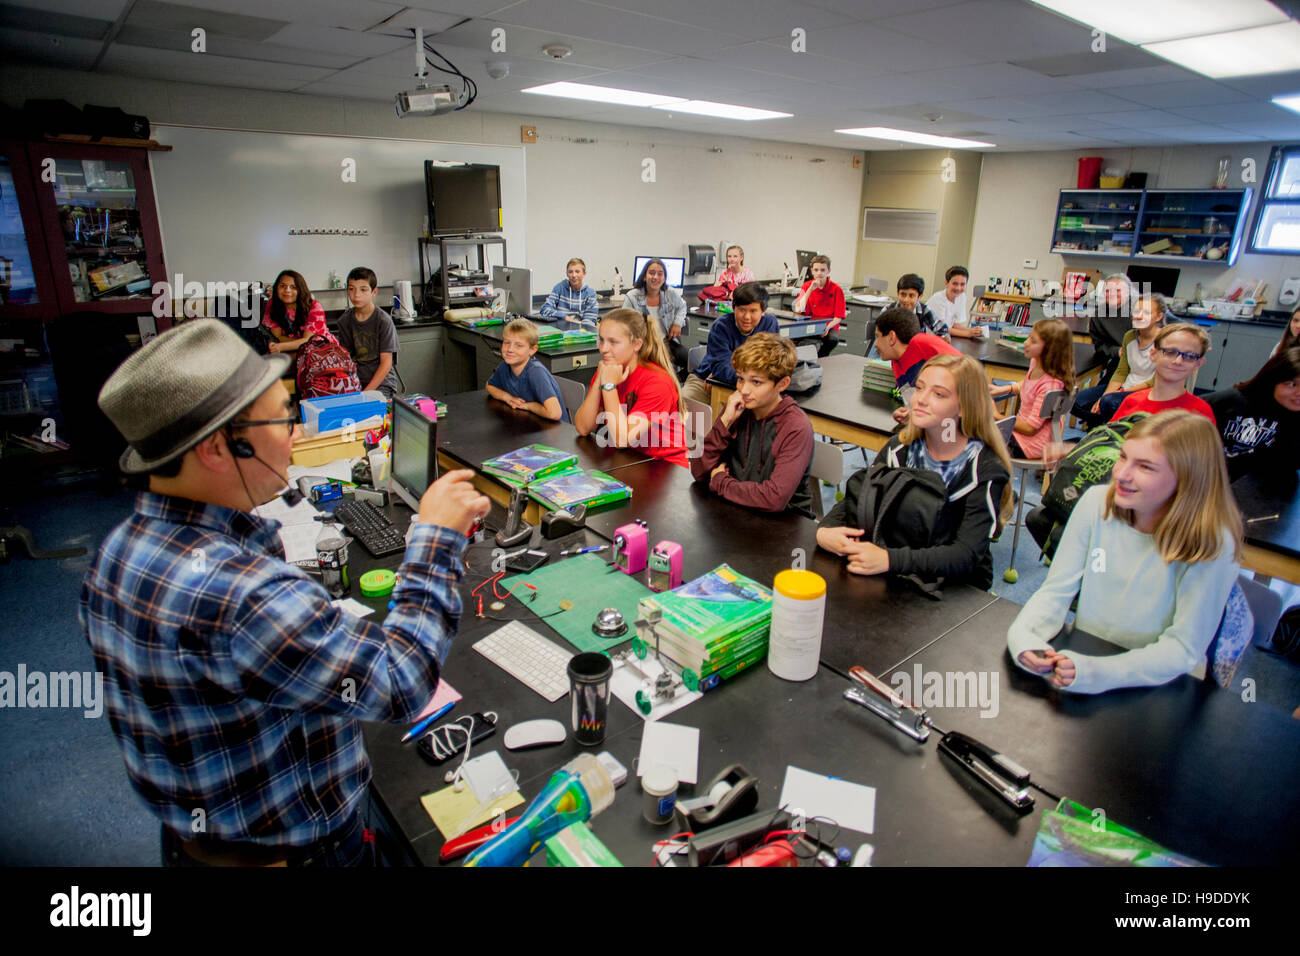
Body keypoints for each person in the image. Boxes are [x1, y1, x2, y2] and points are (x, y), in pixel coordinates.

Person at [80, 319, 491, 866]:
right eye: (284, 415)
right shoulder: (238, 594)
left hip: (198, 844)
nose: (297, 432)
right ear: (215, 448)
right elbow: (401, 684)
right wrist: (435, 539)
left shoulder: (117, 549)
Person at [1007, 411, 1248, 694]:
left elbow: (1183, 648)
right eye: (1123, 457)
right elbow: (1055, 591)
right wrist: (1025, 638)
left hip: (1160, 683)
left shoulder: (1214, 541)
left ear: (1187, 478)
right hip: (1088, 656)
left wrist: (1097, 673)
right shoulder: (1097, 503)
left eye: (1145, 467)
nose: (1120, 474)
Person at [816, 353, 1012, 589]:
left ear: (964, 407)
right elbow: (858, 499)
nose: (920, 399)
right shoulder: (898, 449)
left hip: (955, 586)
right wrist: (825, 530)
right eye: (920, 388)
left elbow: (966, 554)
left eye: (939, 394)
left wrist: (889, 560)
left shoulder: (984, 468)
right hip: (900, 573)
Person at [690, 333, 814, 515]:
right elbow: (699, 471)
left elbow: (774, 498)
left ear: (782, 384)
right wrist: (724, 423)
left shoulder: (795, 426)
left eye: (756, 382)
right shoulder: (737, 408)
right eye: (741, 379)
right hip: (736, 511)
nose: (744, 390)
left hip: (784, 525)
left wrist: (721, 482)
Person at [574, 307, 688, 468]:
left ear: (636, 344)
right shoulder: (610, 371)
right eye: (601, 340)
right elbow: (583, 427)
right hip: (628, 460)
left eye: (613, 342)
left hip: (663, 469)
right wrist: (601, 377)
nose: (603, 349)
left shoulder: (657, 382)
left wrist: (608, 386)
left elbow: (623, 439)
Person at [1206, 347, 1300, 481]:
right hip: (1202, 480)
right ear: (1273, 379)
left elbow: (1288, 464)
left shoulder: (1291, 415)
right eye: (1291, 384)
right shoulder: (1231, 401)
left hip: (1243, 488)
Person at [1072, 292, 1164, 428]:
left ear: (1159, 316)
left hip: (1147, 392)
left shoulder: (1165, 340)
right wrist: (1105, 395)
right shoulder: (1129, 336)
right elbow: (1121, 371)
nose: (1139, 316)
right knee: (1074, 401)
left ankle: (1103, 427)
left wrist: (1118, 394)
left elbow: (1155, 380)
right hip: (1124, 387)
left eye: (1146, 312)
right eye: (1137, 311)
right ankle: (1101, 425)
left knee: (1109, 403)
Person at [681, 281, 780, 406]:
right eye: (742, 310)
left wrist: (736, 377)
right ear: (733, 308)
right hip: (705, 379)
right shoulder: (721, 326)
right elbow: (722, 368)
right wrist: (719, 375)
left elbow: (769, 361)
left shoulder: (769, 324)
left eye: (753, 311)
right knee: (685, 406)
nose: (747, 317)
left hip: (749, 383)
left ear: (763, 311)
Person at [989, 319, 1075, 459]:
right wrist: (1005, 389)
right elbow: (1029, 385)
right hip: (1020, 435)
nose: (1026, 343)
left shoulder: (1051, 385)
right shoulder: (1037, 362)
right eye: (1029, 337)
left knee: (972, 435)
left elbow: (1030, 428)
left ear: (1049, 349)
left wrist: (997, 416)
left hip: (1030, 444)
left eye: (1033, 341)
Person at [1111, 323, 1215, 424]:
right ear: (1153, 354)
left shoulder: (1200, 413)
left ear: (1198, 363)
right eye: (1170, 352)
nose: (1178, 361)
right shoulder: (1132, 402)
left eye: (1190, 356)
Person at [871, 306, 961, 424]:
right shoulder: (896, 362)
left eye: (878, 337)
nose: (875, 344)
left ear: (891, 337)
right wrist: (910, 414)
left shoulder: (922, 344)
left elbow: (968, 373)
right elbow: (913, 402)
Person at [485, 318, 569, 422]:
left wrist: (529, 406)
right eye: (507, 342)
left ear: (532, 350)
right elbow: (490, 386)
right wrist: (508, 398)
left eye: (519, 345)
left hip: (554, 432)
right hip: (528, 424)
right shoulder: (505, 366)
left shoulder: (536, 372)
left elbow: (554, 414)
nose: (510, 349)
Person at [336, 266, 399, 398]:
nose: (356, 294)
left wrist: (365, 394)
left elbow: (386, 363)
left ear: (374, 292)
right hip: (356, 382)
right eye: (351, 289)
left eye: (363, 290)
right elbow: (346, 359)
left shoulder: (383, 320)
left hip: (382, 383)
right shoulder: (345, 320)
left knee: (371, 409)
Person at [623, 258, 689, 378]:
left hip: (666, 342)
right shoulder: (632, 296)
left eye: (660, 274)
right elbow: (624, 322)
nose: (655, 277)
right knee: (658, 371)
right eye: (651, 273)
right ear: (644, 276)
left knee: (693, 364)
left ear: (664, 278)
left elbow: (682, 306)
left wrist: (677, 323)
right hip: (643, 345)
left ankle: (675, 382)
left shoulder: (671, 293)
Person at [261, 269, 336, 355]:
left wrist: (281, 346)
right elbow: (277, 337)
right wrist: (297, 343)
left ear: (300, 289)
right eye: (282, 286)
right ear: (276, 288)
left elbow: (308, 340)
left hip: (321, 352)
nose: (287, 290)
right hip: (293, 350)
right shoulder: (272, 304)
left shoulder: (314, 307)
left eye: (293, 287)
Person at [1084, 273, 1135, 382]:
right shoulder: (1099, 315)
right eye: (1107, 291)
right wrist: (1117, 351)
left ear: (1128, 292)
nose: (1112, 294)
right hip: (1119, 366)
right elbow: (1099, 345)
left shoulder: (1142, 309)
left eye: (1118, 291)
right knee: (1087, 398)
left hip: (1145, 369)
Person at [792, 254, 845, 357]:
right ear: (811, 271)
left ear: (828, 271)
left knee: (832, 340)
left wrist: (827, 327)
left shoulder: (836, 289)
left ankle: (820, 357)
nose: (819, 273)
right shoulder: (807, 286)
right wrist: (810, 289)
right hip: (811, 324)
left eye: (822, 270)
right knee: (794, 339)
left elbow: (838, 317)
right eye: (816, 270)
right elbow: (799, 309)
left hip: (829, 325)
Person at [538, 257, 598, 324]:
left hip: (581, 331)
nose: (574, 275)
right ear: (567, 273)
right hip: (560, 329)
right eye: (570, 272)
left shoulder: (590, 293)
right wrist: (563, 317)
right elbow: (545, 309)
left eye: (577, 272)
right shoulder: (559, 288)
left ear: (584, 274)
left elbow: (590, 320)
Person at [928, 266, 980, 339]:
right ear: (946, 283)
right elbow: (941, 328)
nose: (958, 288)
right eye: (955, 284)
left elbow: (955, 324)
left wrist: (972, 330)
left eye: (962, 284)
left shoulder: (962, 297)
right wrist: (968, 334)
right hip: (932, 337)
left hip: (946, 337)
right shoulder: (938, 298)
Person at [895, 273, 948, 339]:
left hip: (916, 346)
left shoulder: (924, 310)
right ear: (898, 293)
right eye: (903, 294)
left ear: (919, 297)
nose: (906, 300)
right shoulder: (888, 310)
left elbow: (942, 330)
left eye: (911, 296)